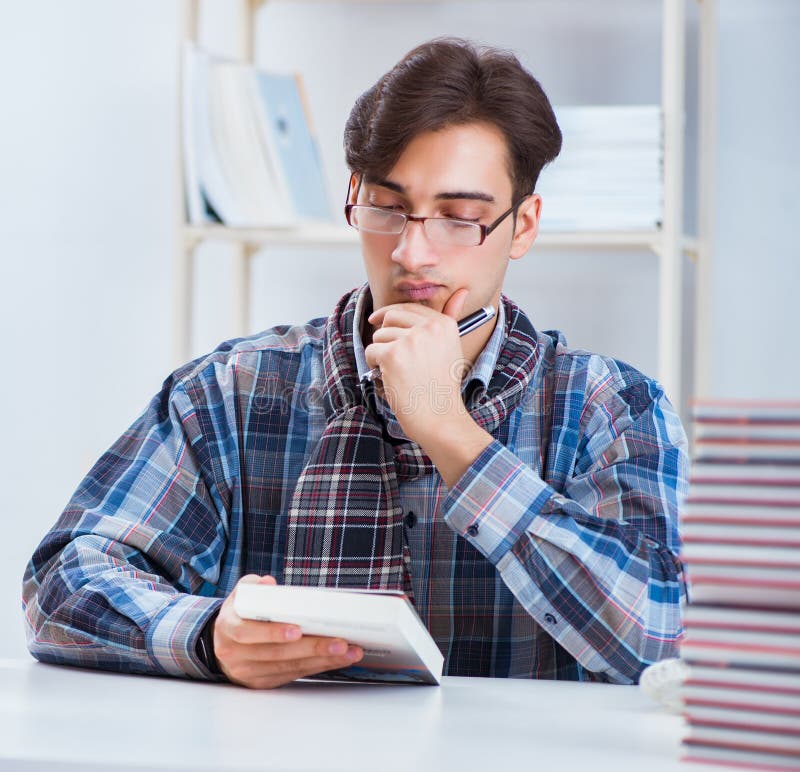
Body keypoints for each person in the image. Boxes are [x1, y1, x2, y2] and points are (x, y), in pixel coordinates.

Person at [22, 37, 688, 689]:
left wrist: (452, 436)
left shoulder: (613, 406)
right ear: (354, 194)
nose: (412, 253)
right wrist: (208, 635)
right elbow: (65, 579)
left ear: (524, 225)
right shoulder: (233, 390)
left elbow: (665, 635)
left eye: (458, 216)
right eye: (388, 208)